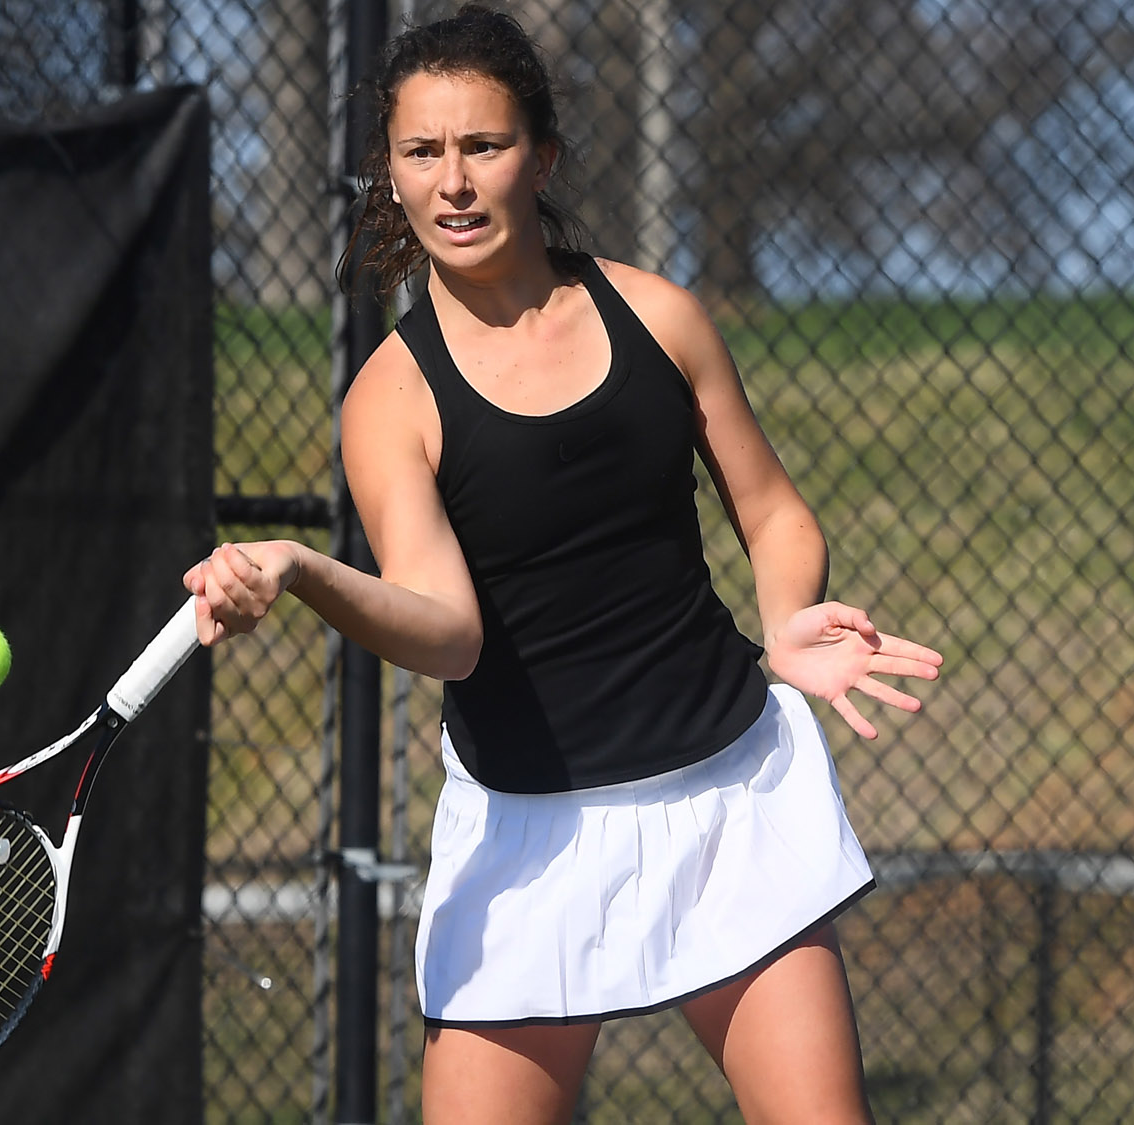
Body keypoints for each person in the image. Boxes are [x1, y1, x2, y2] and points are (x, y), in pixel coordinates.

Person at [185, 5, 943, 1122]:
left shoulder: (659, 317)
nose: (452, 182)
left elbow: (773, 513)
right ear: (388, 176)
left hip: (726, 795)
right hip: (522, 836)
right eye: (420, 153)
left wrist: (785, 620)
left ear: (538, 156)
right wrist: (303, 570)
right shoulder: (389, 400)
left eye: (481, 146)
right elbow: (445, 627)